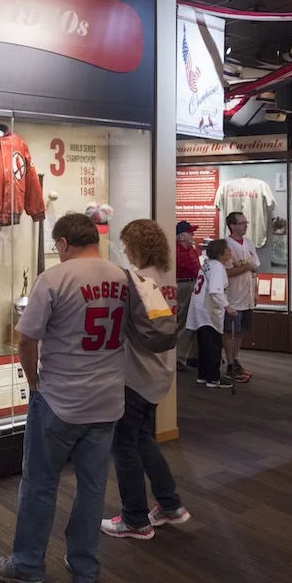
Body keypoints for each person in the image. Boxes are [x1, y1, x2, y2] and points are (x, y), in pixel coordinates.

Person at [0, 213, 128, 583]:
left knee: (39, 483)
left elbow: (26, 340)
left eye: (57, 246)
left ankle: (27, 565)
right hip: (107, 401)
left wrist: (35, 385)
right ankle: (85, 567)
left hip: (59, 399)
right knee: (93, 486)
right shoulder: (121, 277)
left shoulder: (54, 277)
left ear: (64, 243)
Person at [101, 220, 190, 541]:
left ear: (136, 246)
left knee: (124, 446)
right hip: (158, 376)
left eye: (126, 244)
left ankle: (135, 519)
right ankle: (170, 504)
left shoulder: (135, 281)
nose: (123, 249)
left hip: (135, 377)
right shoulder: (165, 278)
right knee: (142, 440)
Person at [187, 239, 235, 389]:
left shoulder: (207, 264)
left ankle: (203, 375)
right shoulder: (218, 268)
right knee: (213, 344)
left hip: (199, 307)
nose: (230, 252)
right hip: (208, 309)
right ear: (221, 253)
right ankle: (213, 378)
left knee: (203, 344)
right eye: (228, 250)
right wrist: (228, 307)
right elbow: (215, 291)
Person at [223, 212, 256, 382]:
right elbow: (227, 271)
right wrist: (245, 267)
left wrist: (247, 267)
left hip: (247, 296)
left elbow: (255, 266)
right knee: (230, 333)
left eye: (246, 222)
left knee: (241, 332)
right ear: (232, 226)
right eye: (242, 223)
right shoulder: (225, 246)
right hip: (232, 297)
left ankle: (236, 361)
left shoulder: (249, 243)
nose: (245, 225)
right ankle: (230, 364)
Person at [174, 221, 201, 370]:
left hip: (194, 283)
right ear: (181, 236)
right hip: (183, 285)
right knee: (183, 320)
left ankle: (190, 355)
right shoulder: (176, 250)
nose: (192, 235)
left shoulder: (189, 248)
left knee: (193, 319)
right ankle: (178, 357)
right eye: (190, 233)